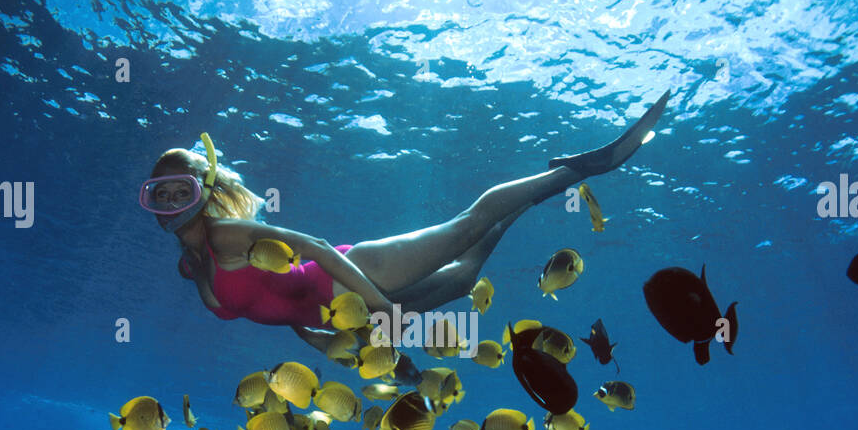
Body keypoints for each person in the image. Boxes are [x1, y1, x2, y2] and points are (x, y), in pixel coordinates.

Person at [140, 91, 669, 353]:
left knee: (464, 226)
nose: (170, 203)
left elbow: (317, 247)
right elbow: (267, 306)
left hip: (353, 276)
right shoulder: (192, 267)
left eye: (178, 190)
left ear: (203, 191)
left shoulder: (227, 236)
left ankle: (583, 166)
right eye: (158, 196)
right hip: (348, 318)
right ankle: (525, 205)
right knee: (464, 279)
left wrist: (372, 301)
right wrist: (320, 341)